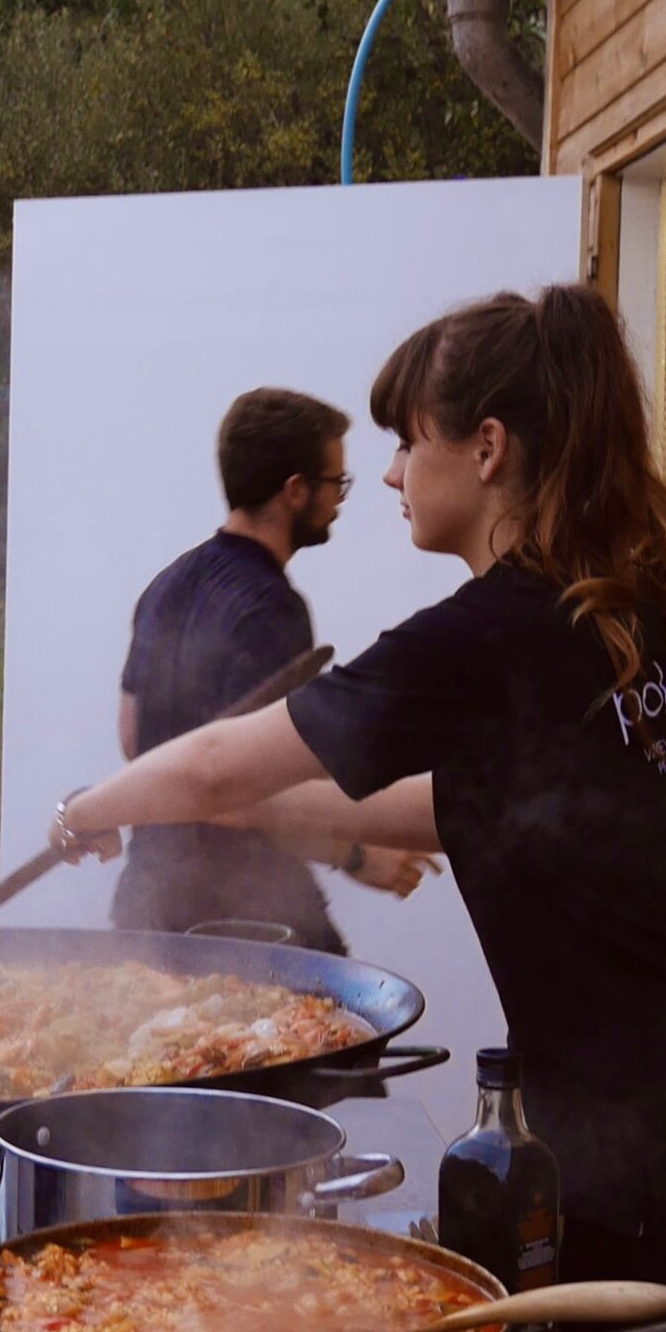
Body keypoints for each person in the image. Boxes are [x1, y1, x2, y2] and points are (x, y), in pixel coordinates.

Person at [51, 287, 666, 1332]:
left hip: (661, 1190)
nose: (395, 473)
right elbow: (452, 807)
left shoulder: (493, 631)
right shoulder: (634, 623)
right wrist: (236, 811)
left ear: (487, 446)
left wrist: (90, 808)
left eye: (409, 439)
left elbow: (217, 751)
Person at [113, 386, 439, 949]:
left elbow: (132, 739)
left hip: (146, 904)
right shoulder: (271, 610)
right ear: (295, 491)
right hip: (241, 918)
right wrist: (357, 854)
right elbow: (245, 788)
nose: (340, 498)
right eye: (336, 483)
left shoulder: (166, 586)